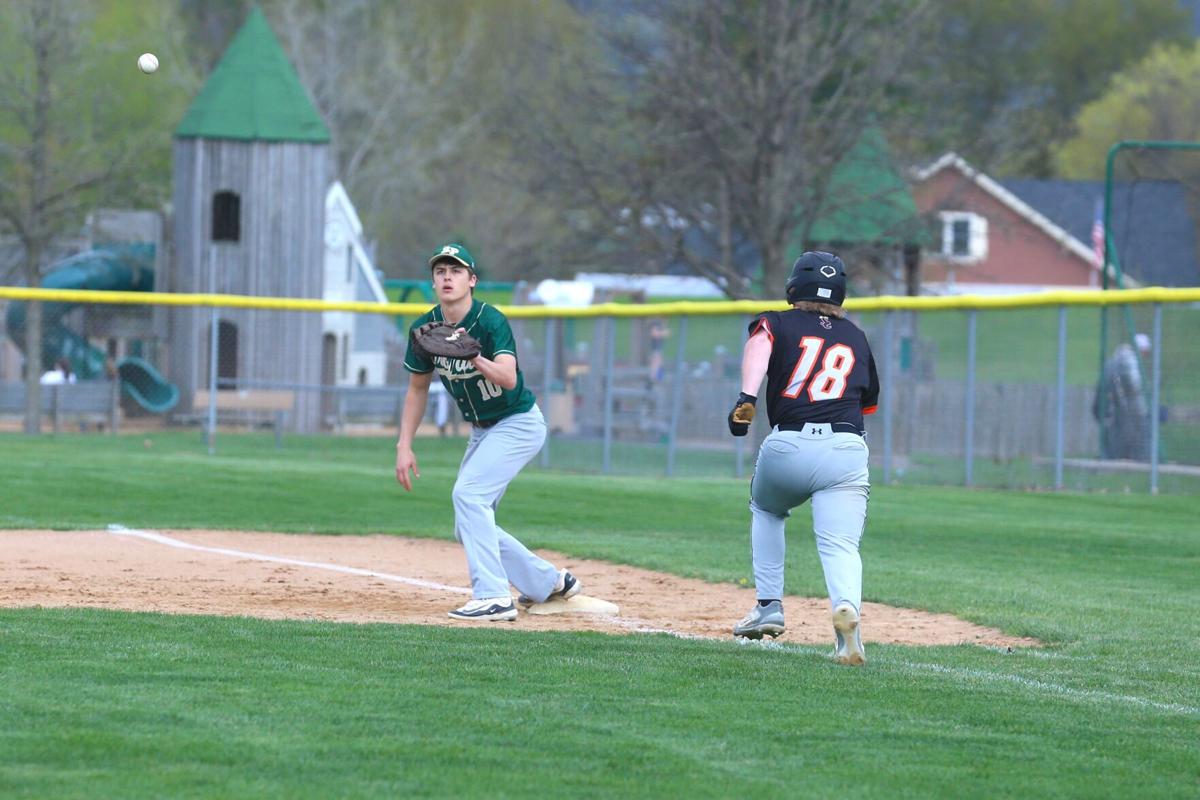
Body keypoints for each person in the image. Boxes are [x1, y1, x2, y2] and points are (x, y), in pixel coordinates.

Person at [395, 242, 581, 621]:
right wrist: (404, 444)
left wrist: (473, 355)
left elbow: (509, 379)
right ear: (433, 282)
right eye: (440, 271)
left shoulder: (490, 321)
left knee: (467, 496)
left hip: (518, 422)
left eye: (456, 270)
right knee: (467, 524)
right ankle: (548, 583)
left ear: (472, 280)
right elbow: (417, 390)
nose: (447, 277)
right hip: (482, 430)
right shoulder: (425, 329)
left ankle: (493, 596)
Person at [726, 251, 879, 666]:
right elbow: (866, 403)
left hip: (790, 443)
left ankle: (769, 606)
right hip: (846, 448)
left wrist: (746, 396)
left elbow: (760, 344)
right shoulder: (856, 337)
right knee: (840, 544)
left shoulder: (777, 321)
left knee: (767, 509)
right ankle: (847, 615)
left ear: (795, 286)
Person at [1093, 333, 1151, 461]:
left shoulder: (1119, 358)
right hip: (1119, 407)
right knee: (1125, 432)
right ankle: (1122, 456)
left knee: (1116, 431)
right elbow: (1133, 386)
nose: (1146, 355)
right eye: (1145, 351)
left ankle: (1114, 456)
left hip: (1114, 405)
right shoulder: (1129, 361)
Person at [647, 318, 670, 383]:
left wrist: (664, 331)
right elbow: (655, 334)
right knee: (655, 364)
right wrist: (663, 333)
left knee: (660, 363)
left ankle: (659, 378)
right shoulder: (655, 327)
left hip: (659, 349)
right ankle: (651, 380)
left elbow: (667, 333)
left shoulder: (660, 327)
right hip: (655, 350)